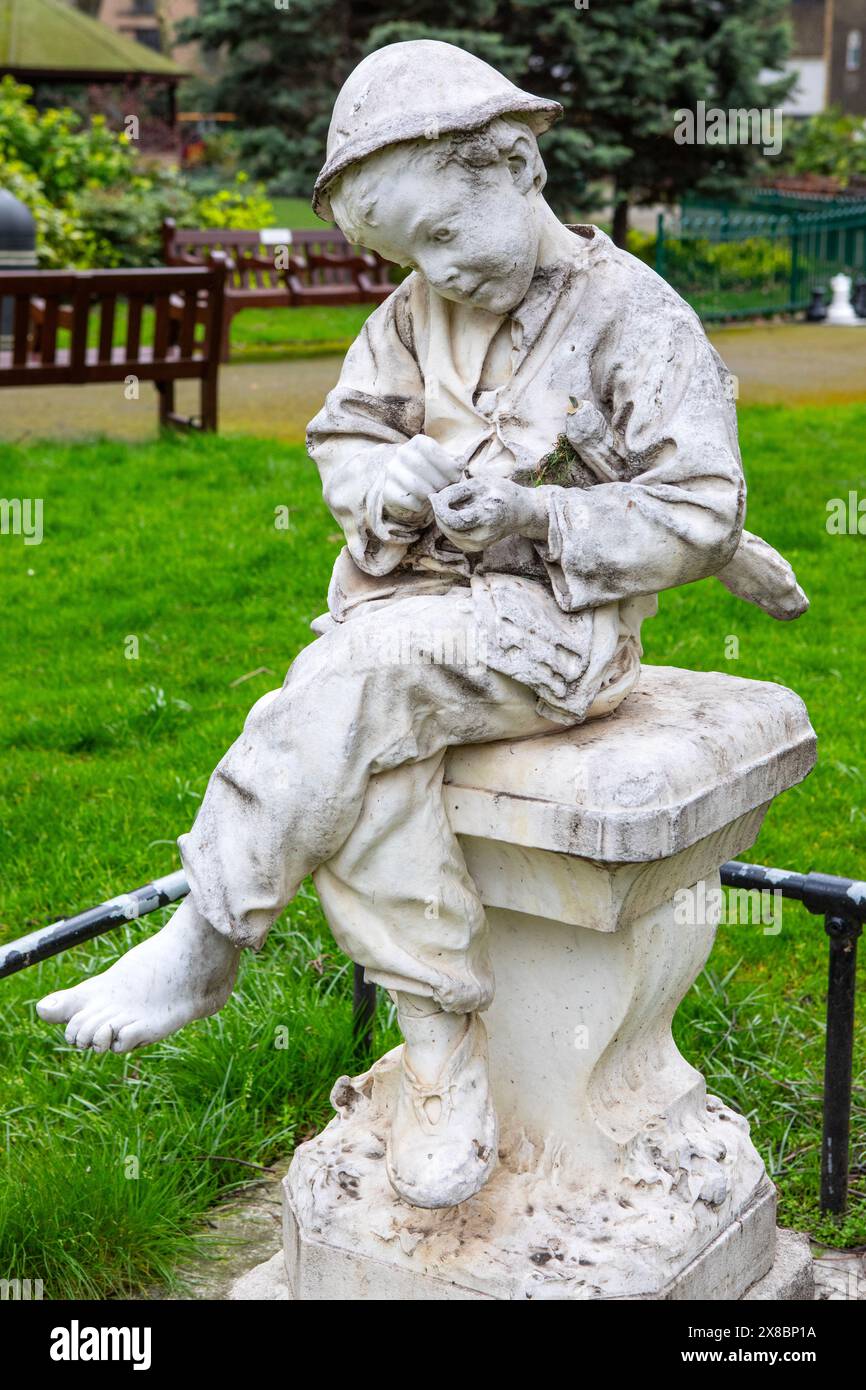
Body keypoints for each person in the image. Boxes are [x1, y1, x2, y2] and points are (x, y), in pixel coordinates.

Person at [37, 41, 805, 1210]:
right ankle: (443, 1054)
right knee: (358, 747)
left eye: (444, 239)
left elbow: (699, 509)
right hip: (407, 614)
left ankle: (210, 936)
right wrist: (379, 484)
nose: (433, 274)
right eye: (406, 256)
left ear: (512, 164)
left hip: (556, 630)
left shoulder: (633, 316)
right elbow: (341, 436)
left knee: (354, 686)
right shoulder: (414, 310)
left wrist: (534, 512)